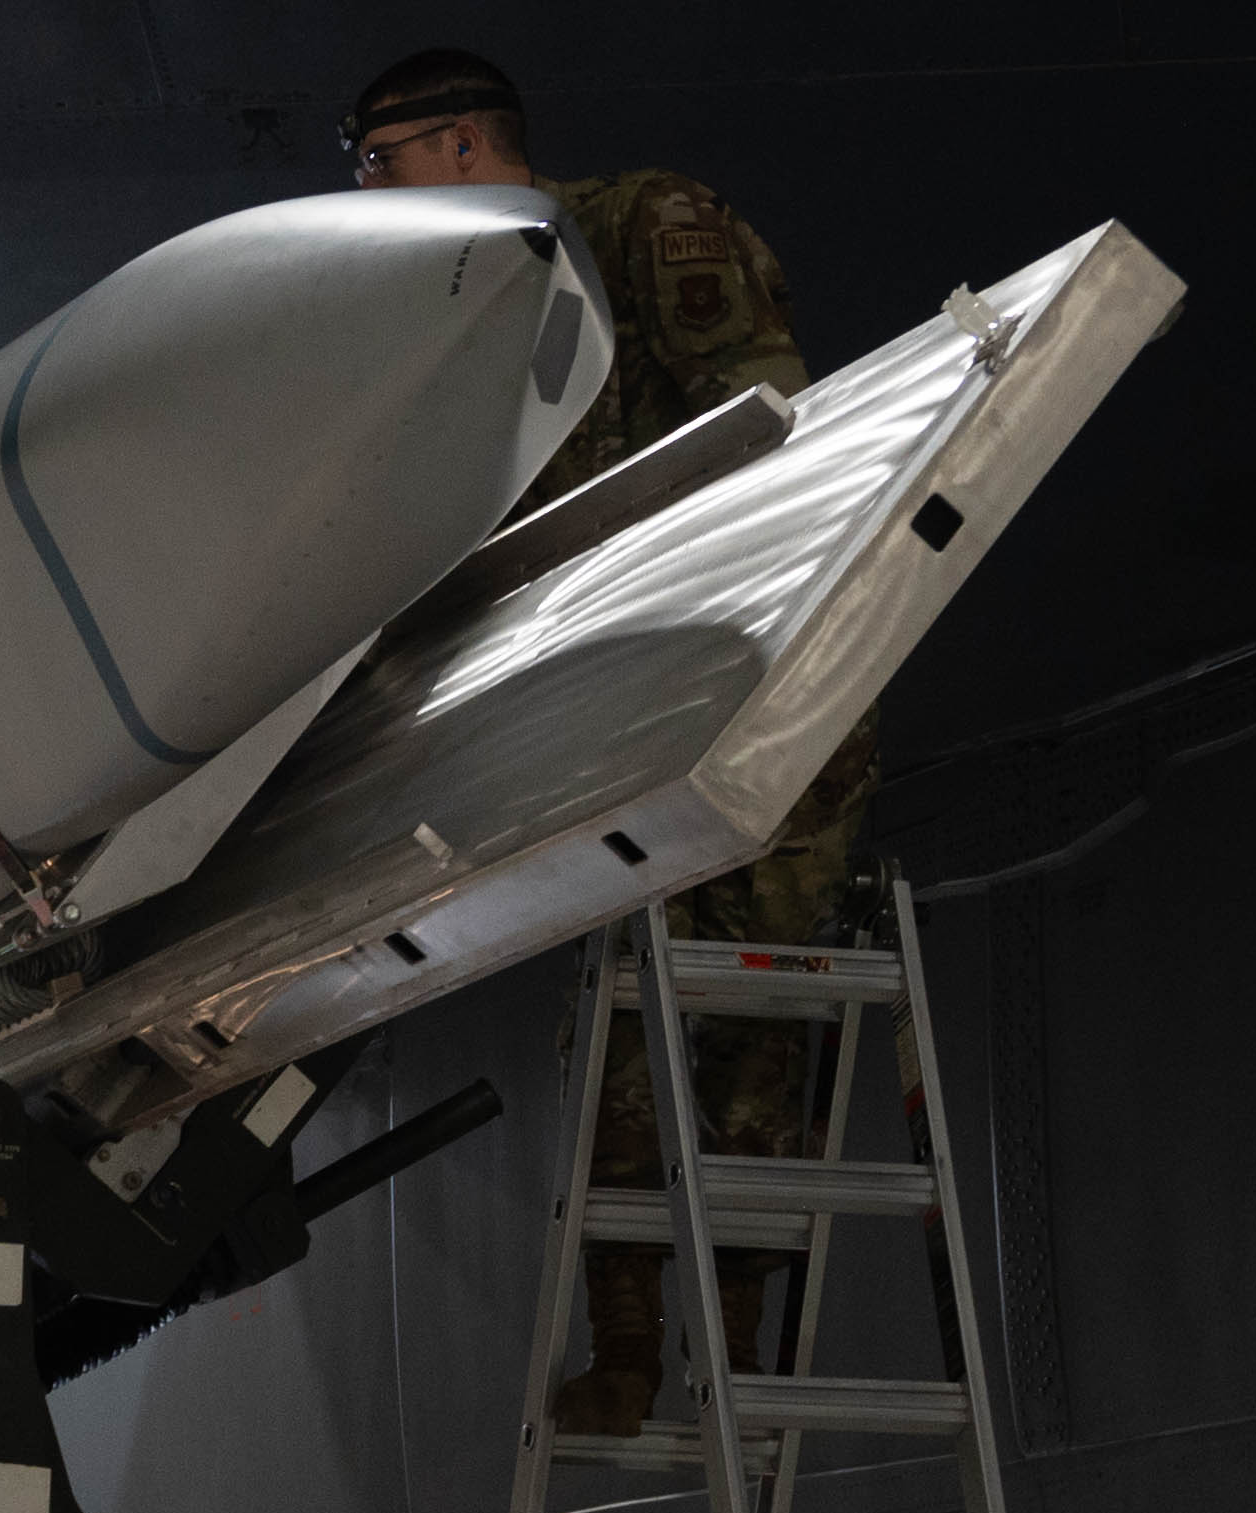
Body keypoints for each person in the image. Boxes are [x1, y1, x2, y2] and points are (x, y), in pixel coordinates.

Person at [350, 44, 874, 1433]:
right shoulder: (467, 318)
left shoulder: (646, 227)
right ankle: (631, 1347)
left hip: (763, 678)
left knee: (751, 1015)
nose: (371, 192)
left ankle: (738, 1349)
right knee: (628, 1018)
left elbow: (773, 443)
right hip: (627, 710)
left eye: (382, 162)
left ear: (466, 145)